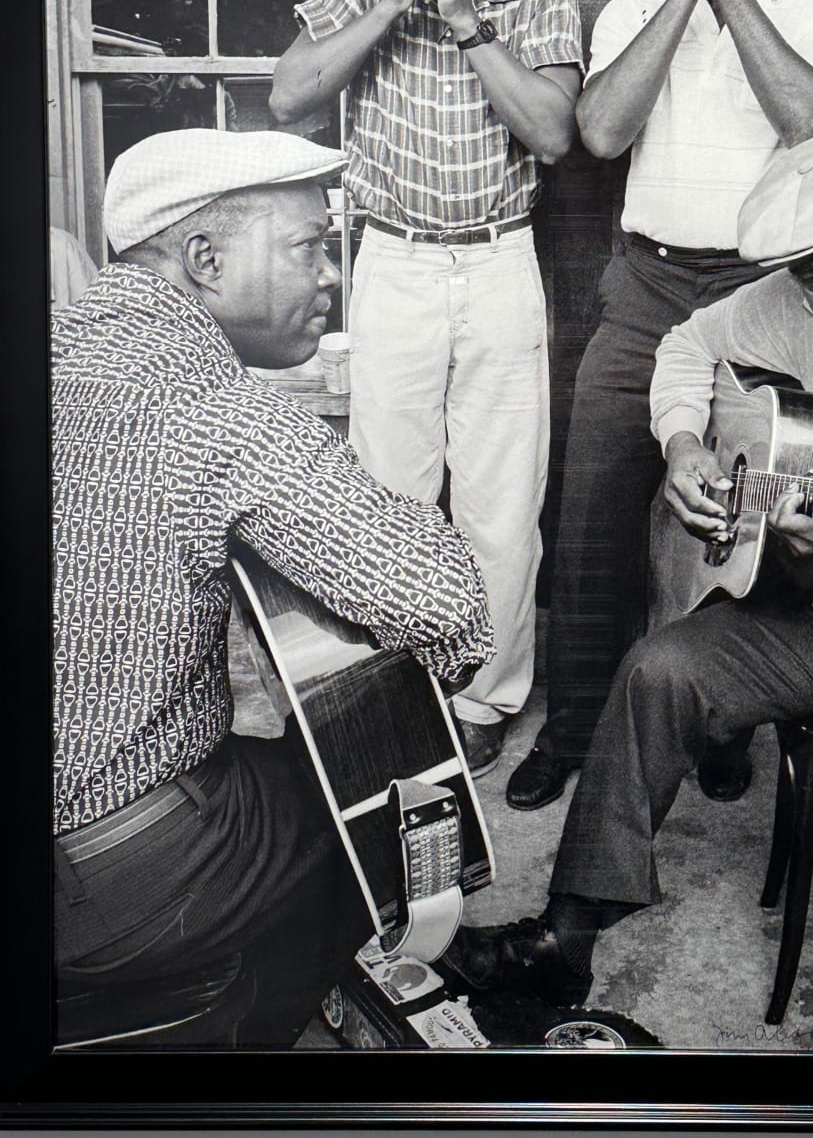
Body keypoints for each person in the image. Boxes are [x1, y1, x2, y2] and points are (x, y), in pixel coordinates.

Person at [447, 122, 813, 1054]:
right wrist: (684, 444)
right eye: (810, 277)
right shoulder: (793, 300)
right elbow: (687, 341)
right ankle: (563, 940)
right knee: (658, 670)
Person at [53, 128, 494, 1046]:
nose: (332, 274)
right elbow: (445, 605)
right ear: (205, 259)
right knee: (380, 815)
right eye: (309, 245)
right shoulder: (215, 409)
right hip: (101, 873)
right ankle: (247, 1027)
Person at [507, 0, 813, 811]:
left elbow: (808, 119)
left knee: (746, 520)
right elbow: (599, 132)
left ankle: (720, 720)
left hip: (763, 290)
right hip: (646, 281)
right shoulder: (634, 8)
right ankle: (574, 731)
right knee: (593, 510)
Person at [270, 0, 583, 778]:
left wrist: (463, 20)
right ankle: (396, 694)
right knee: (389, 498)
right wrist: (387, 8)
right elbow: (289, 94)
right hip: (395, 258)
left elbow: (554, 133)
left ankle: (484, 697)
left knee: (501, 506)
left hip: (498, 259)